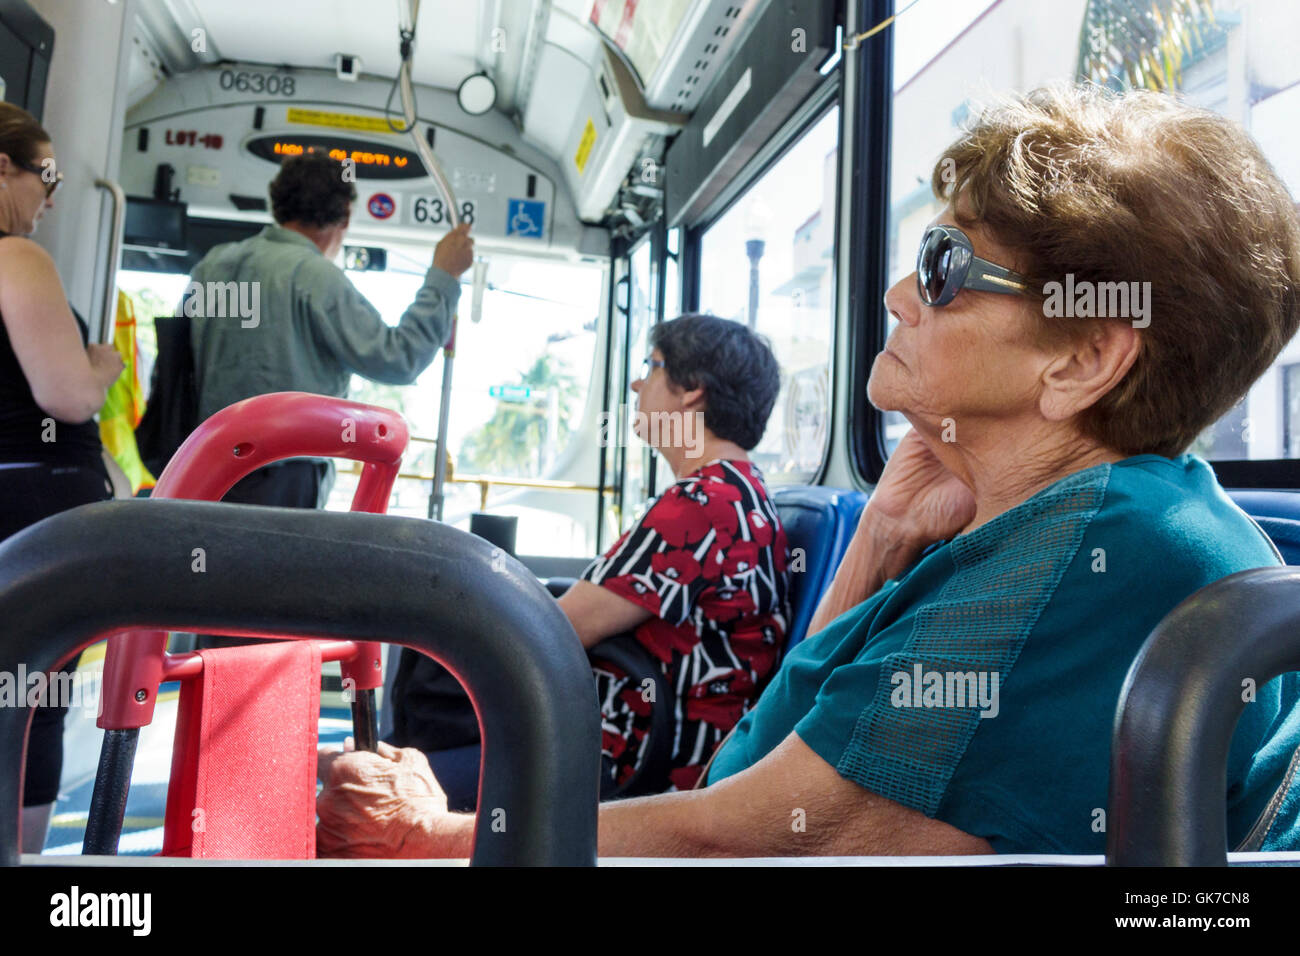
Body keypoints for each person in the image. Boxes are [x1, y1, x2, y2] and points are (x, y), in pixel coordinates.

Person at [317, 84, 1300, 858]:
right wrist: (874, 541)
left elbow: (760, 838)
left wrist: (430, 839)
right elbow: (757, 783)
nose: (898, 291)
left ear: (1081, 359)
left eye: (946, 265)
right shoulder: (995, 520)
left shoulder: (1099, 546)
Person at [388, 314, 791, 804]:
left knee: (384, 784)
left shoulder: (702, 506)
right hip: (647, 738)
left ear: (693, 391)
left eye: (653, 365)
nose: (638, 382)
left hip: (635, 760)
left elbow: (546, 636)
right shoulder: (738, 492)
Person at [187, 151, 474, 509]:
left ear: (277, 204)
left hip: (202, 465)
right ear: (346, 214)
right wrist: (443, 277)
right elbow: (399, 358)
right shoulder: (313, 276)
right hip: (280, 475)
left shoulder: (213, 264)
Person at [0, 102, 126, 853]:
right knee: (34, 694)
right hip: (34, 501)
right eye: (44, 175)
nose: (52, 197)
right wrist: (102, 364)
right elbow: (66, 395)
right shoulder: (16, 258)